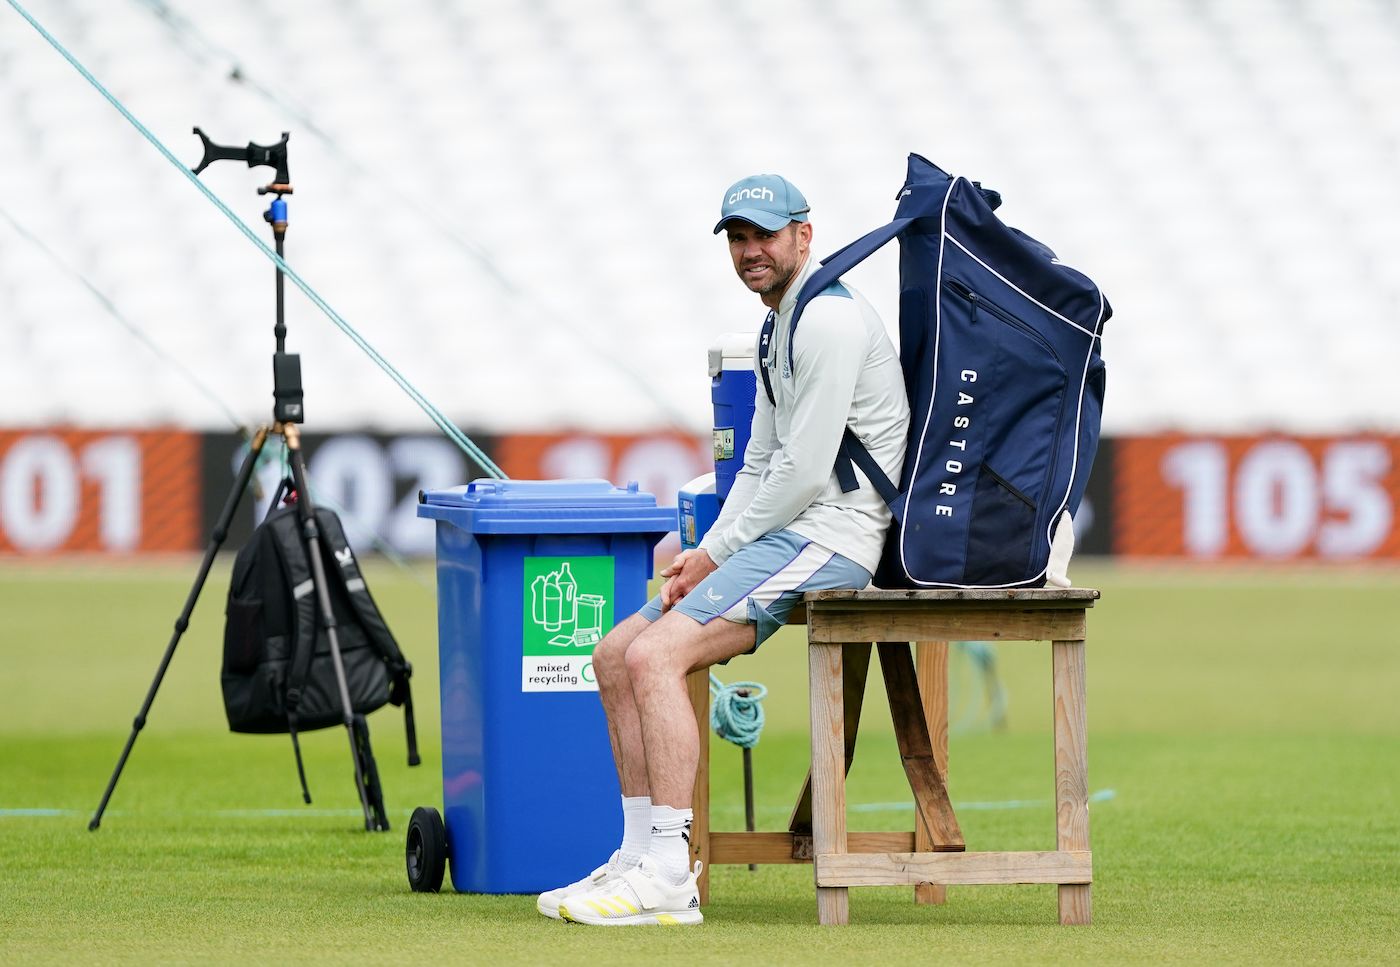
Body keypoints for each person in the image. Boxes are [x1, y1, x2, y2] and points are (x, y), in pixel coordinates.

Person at [539, 173, 910, 926]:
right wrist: (707, 546)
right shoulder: (780, 325)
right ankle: (641, 855)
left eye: (765, 235)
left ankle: (671, 876)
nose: (750, 251)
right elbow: (762, 465)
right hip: (788, 531)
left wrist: (715, 551)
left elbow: (804, 473)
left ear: (805, 237)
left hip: (835, 536)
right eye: (738, 238)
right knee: (614, 653)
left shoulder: (829, 322)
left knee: (653, 656)